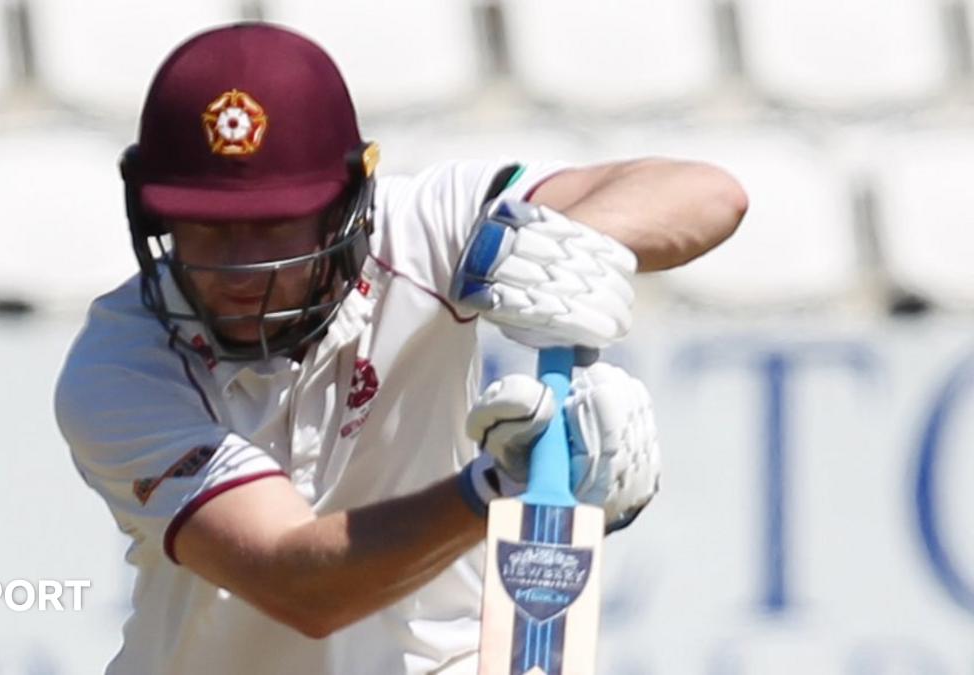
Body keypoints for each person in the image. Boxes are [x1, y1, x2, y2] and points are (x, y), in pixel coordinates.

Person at [55, 22, 746, 675]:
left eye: (275, 225)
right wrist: (493, 489)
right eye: (208, 227)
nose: (242, 267)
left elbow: (709, 193)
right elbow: (299, 584)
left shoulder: (426, 228)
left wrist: (558, 244)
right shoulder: (119, 365)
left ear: (348, 202)